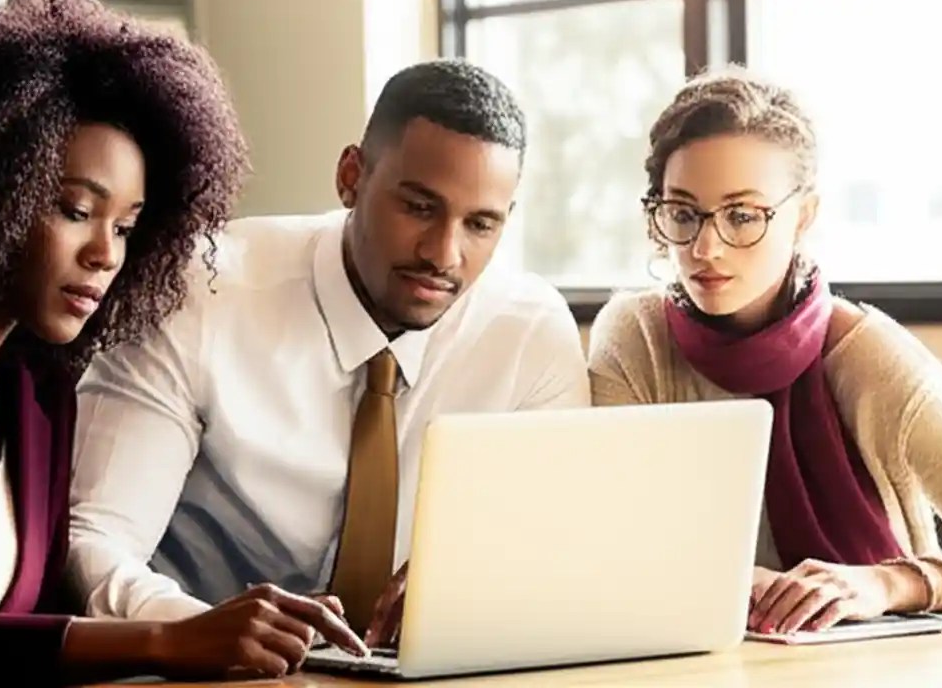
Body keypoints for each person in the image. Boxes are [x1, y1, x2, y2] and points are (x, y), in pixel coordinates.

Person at [0, 0, 367, 686]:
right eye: (76, 210)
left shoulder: (38, 388)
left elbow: (30, 618)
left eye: (125, 227)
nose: (105, 255)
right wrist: (164, 641)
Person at [66, 58, 590, 648]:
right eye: (419, 207)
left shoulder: (530, 334)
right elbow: (92, 540)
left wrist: (483, 581)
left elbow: (553, 549)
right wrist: (199, 631)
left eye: (481, 225)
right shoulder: (200, 290)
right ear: (351, 176)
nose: (444, 253)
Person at [587, 65, 942, 635]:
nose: (706, 246)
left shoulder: (873, 358)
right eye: (682, 213)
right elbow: (613, 539)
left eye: (743, 215)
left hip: (883, 665)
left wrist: (887, 582)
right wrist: (740, 582)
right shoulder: (634, 337)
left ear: (803, 216)